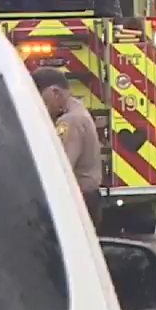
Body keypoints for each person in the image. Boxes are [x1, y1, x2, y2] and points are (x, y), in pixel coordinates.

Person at [32, 67, 104, 229]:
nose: (40, 105)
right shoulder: (78, 109)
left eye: (41, 98)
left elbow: (61, 167)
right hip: (87, 199)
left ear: (55, 92)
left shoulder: (70, 121)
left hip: (79, 200)